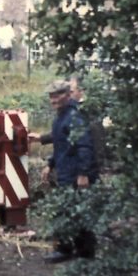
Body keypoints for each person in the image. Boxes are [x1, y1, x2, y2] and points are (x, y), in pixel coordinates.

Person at [34, 79, 98, 263]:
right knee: (68, 210)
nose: (53, 99)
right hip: (65, 170)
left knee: (74, 211)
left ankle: (76, 251)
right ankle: (75, 250)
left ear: (68, 95)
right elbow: (61, 144)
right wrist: (50, 164)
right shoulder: (61, 116)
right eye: (51, 96)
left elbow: (84, 146)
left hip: (74, 173)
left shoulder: (74, 116)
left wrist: (83, 174)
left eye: (58, 95)